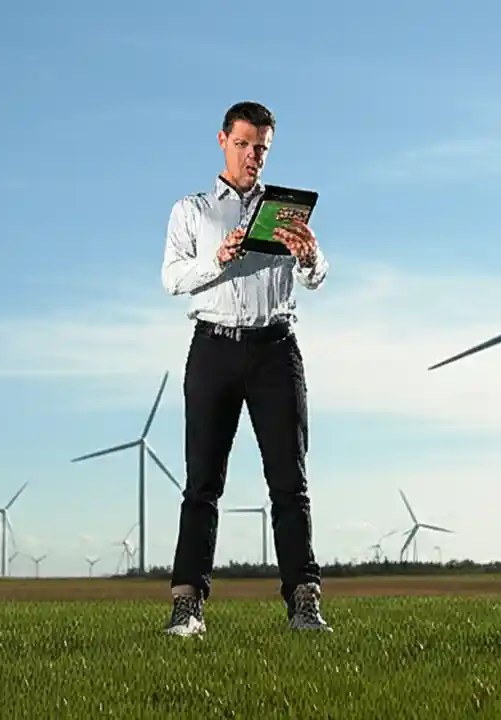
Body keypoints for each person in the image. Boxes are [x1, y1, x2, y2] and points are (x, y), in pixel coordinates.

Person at [159, 100, 331, 636]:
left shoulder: (284, 211)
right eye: (243, 144)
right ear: (222, 141)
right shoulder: (192, 210)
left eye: (261, 148)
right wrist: (219, 259)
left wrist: (309, 256)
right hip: (213, 347)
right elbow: (172, 278)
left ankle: (304, 603)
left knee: (290, 483)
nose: (252, 155)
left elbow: (316, 278)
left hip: (276, 350)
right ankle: (188, 606)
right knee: (202, 484)